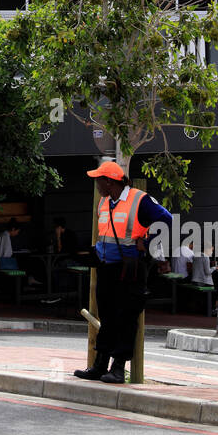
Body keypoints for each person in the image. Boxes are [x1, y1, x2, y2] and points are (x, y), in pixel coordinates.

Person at [74, 162, 173, 385]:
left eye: (99, 180)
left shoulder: (139, 199)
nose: (96, 184)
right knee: (107, 317)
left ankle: (118, 368)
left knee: (126, 319)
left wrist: (147, 242)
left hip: (129, 269)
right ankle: (99, 366)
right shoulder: (104, 202)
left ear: (109, 181)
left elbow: (167, 220)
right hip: (107, 268)